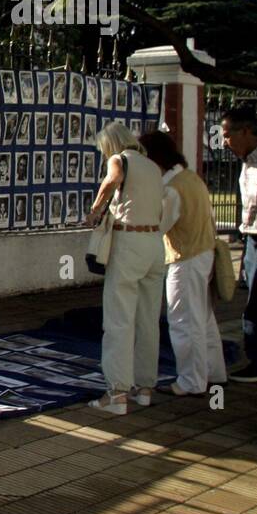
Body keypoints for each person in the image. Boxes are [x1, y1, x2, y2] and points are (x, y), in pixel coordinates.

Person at [84, 122, 166, 413]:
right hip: (155, 243)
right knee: (147, 319)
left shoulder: (119, 159)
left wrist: (95, 210)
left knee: (119, 319)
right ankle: (144, 388)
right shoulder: (153, 167)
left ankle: (117, 393)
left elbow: (112, 179)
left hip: (129, 241)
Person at [222, 105, 257, 387]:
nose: (224, 142)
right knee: (254, 304)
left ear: (247, 131)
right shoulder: (246, 160)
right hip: (252, 238)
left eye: (228, 135)